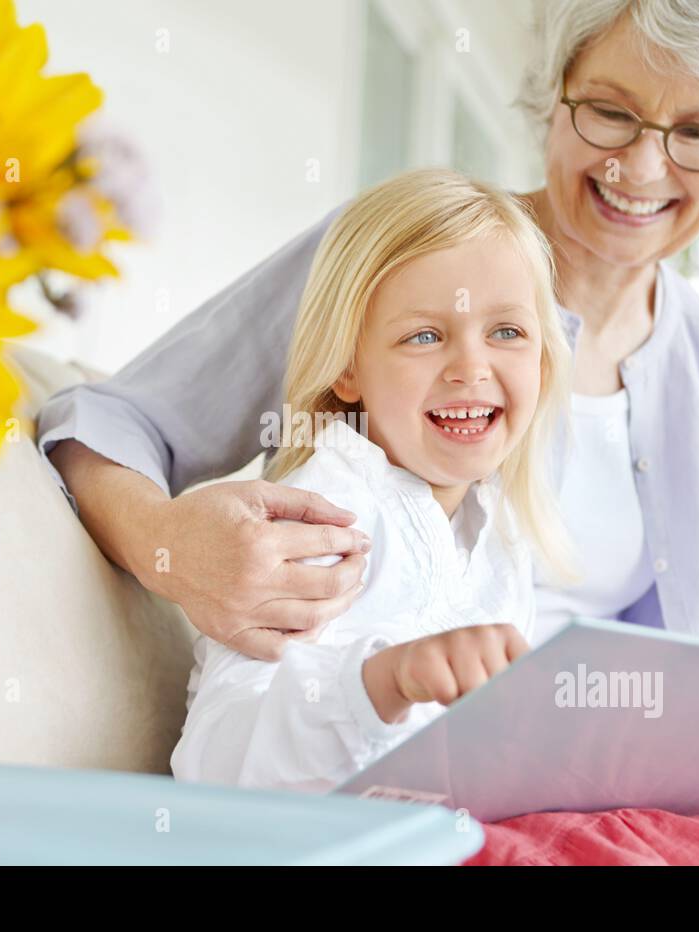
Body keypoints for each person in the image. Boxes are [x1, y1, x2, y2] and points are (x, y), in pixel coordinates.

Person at [37, 0, 699, 658]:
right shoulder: (401, 258)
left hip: (622, 798)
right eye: (609, 111)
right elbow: (106, 422)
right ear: (557, 96)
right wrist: (171, 546)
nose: (638, 167)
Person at [171, 168, 570, 789]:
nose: (472, 366)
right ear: (349, 368)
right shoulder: (317, 519)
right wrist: (384, 682)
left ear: (543, 362)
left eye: (507, 332)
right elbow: (216, 764)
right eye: (425, 336)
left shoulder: (501, 531)